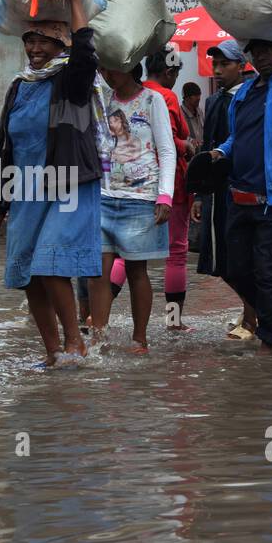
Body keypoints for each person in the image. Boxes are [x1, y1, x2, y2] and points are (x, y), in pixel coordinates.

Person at [0, 0, 100, 367]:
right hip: (26, 189)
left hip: (69, 184)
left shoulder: (72, 80)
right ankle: (53, 353)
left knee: (50, 264)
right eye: (30, 41)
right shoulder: (20, 85)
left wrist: (76, 3)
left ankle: (75, 344)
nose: (35, 48)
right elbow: (6, 145)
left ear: (61, 44)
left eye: (45, 42)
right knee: (27, 272)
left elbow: (86, 51)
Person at [206, 0, 272, 354]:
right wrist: (222, 150)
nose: (262, 57)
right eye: (256, 51)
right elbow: (239, 134)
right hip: (241, 196)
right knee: (232, 268)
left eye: (269, 50)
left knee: (270, 271)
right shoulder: (247, 91)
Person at [87, 63, 176, 353]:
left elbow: (166, 149)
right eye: (103, 68)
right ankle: (98, 337)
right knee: (98, 272)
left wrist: (165, 196)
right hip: (103, 195)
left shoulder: (153, 100)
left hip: (141, 198)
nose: (106, 73)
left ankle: (140, 339)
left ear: (130, 66)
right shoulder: (103, 99)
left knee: (137, 271)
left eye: (112, 68)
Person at [139, 49, 193, 327]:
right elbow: (172, 141)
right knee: (176, 253)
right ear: (169, 72)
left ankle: (96, 317)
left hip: (137, 184)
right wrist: (189, 146)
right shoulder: (166, 96)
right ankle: (174, 320)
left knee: (129, 252)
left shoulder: (133, 92)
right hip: (171, 185)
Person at [182, 81, 204, 154]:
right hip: (188, 155)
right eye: (196, 100)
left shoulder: (199, 111)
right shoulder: (180, 113)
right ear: (187, 98)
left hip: (201, 153)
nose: (199, 100)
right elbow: (178, 136)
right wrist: (191, 140)